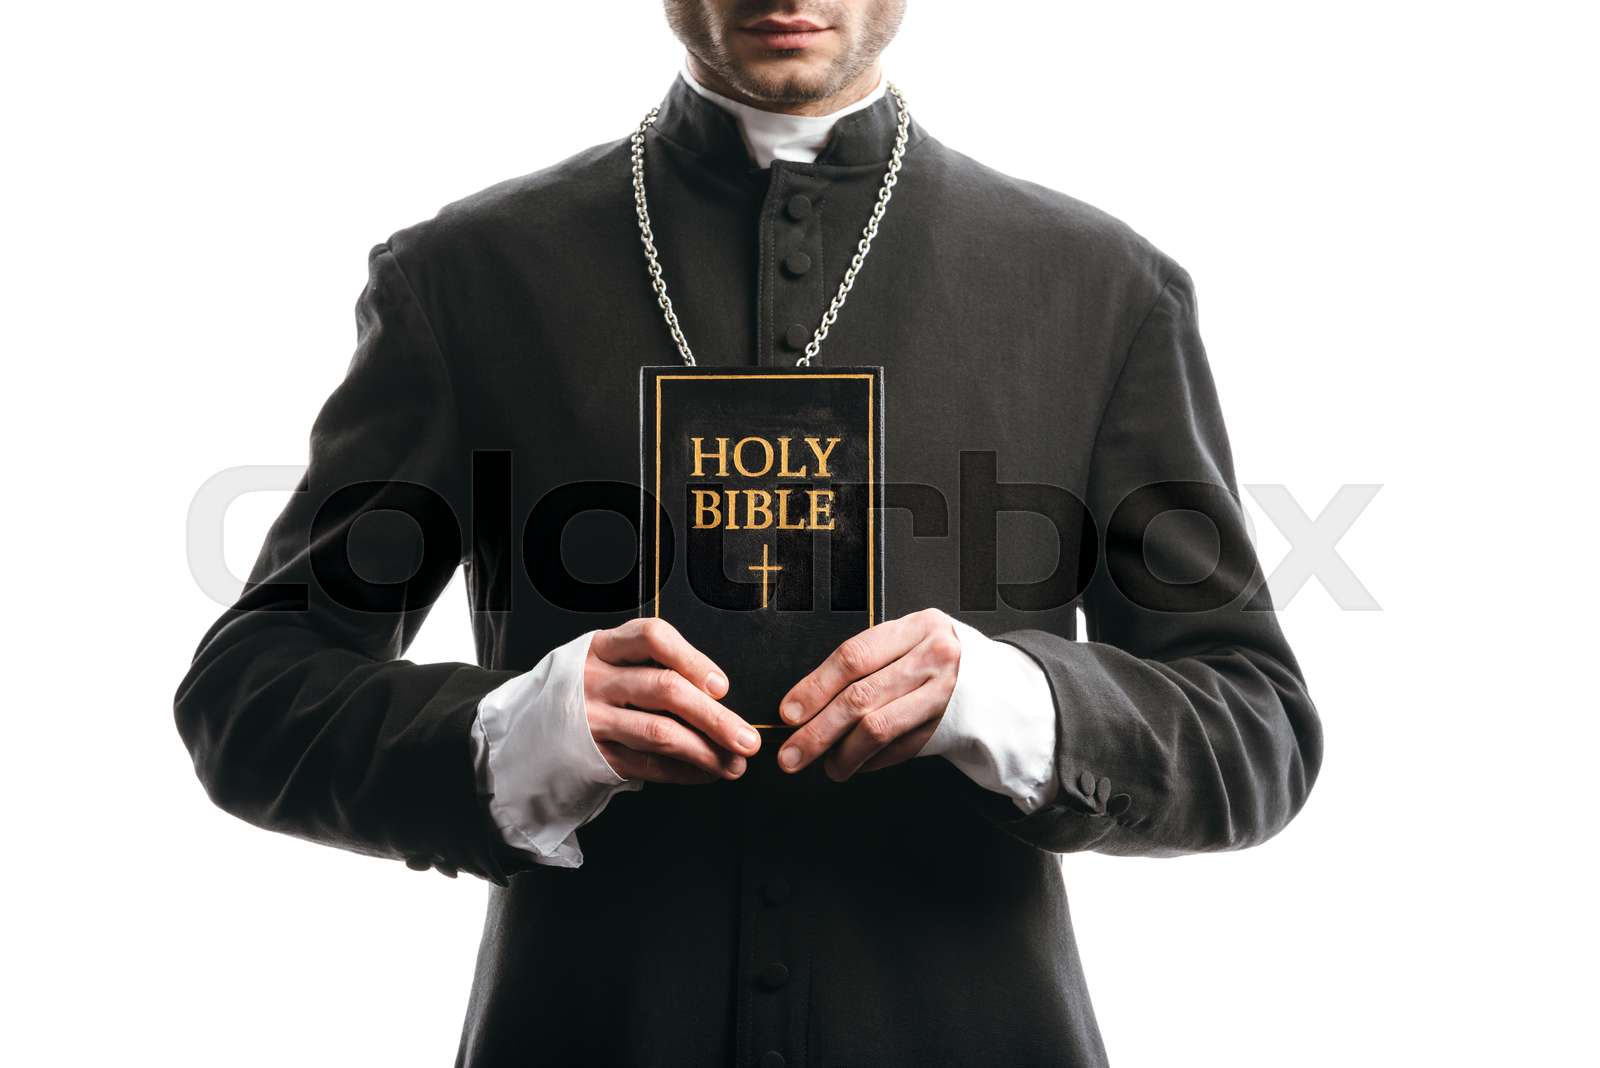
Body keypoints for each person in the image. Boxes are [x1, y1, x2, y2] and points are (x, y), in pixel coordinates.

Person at [174, 2, 1324, 1064]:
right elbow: (251, 694)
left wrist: (1005, 698)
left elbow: (1256, 726)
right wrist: (523, 733)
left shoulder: (1100, 286)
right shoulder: (468, 276)